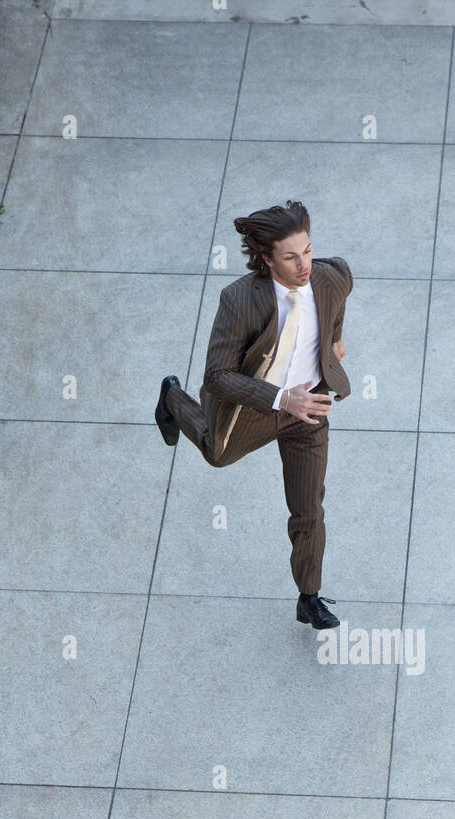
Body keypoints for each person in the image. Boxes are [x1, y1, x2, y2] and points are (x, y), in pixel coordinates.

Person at [155, 200, 352, 630]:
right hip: (259, 403)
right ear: (266, 259)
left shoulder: (331, 276)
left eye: (308, 251)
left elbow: (338, 296)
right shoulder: (240, 300)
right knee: (216, 454)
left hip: (310, 409)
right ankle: (171, 398)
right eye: (290, 257)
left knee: (308, 510)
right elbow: (217, 375)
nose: (304, 265)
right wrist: (282, 399)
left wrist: (335, 340)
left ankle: (309, 596)